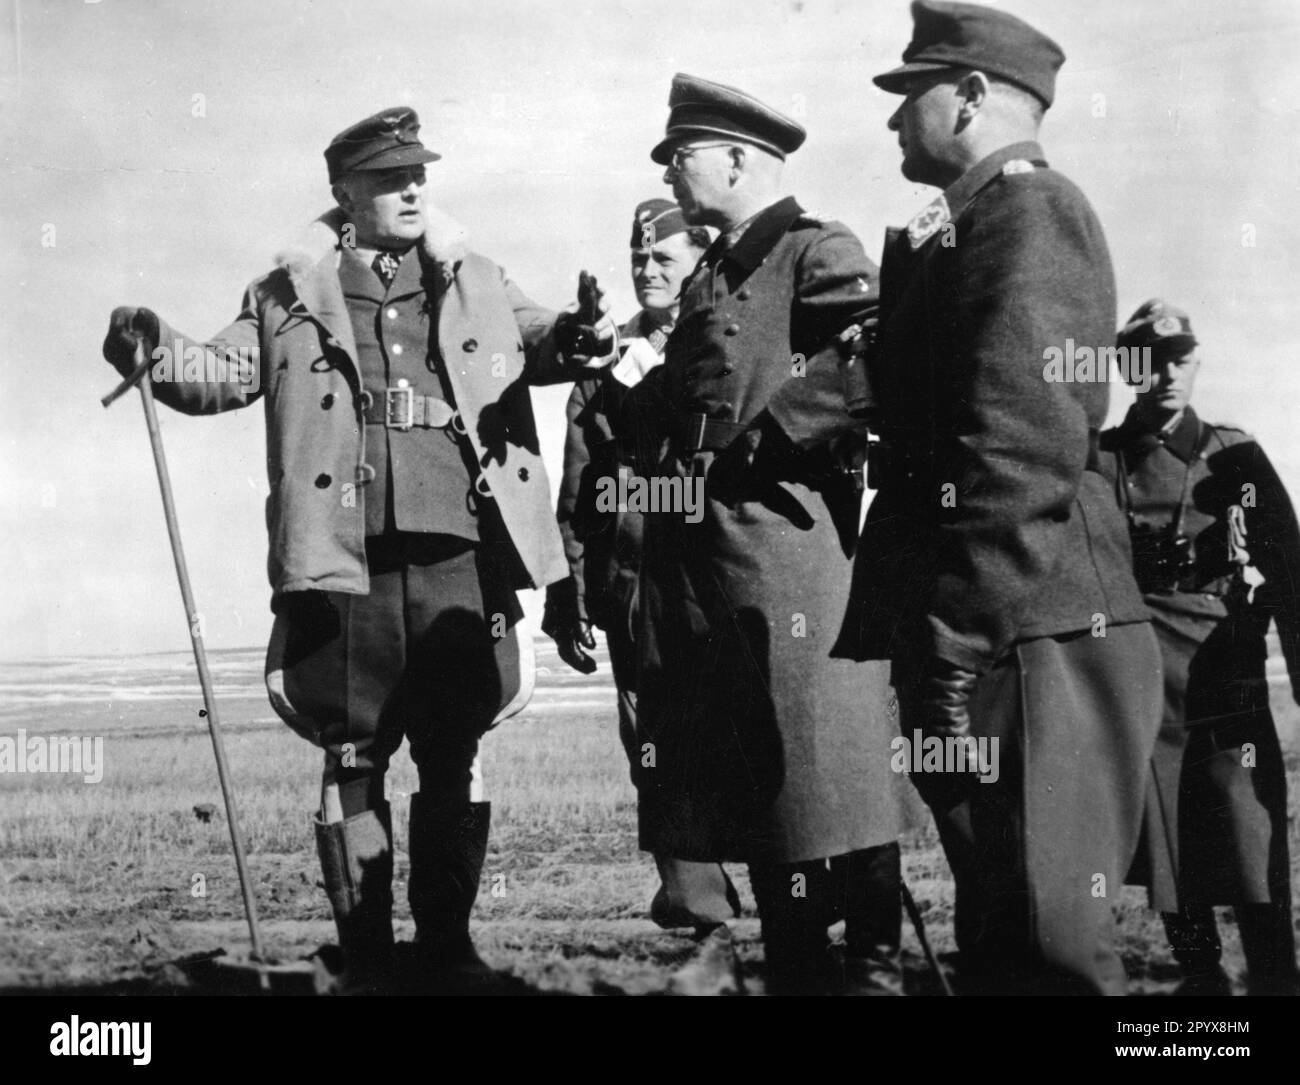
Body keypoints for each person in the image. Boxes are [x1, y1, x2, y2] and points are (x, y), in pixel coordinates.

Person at [101, 106, 617, 994]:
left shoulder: (477, 279)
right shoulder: (287, 292)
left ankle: (450, 949)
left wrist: (579, 333)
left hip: (461, 553)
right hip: (344, 566)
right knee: (352, 752)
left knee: (453, 750)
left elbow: (542, 341)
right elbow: (218, 375)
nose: (413, 187)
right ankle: (371, 955)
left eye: (420, 173)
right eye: (389, 178)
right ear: (344, 193)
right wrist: (152, 342)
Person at [835, 1, 1163, 995]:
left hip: (1027, 633)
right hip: (986, 631)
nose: (893, 121)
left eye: (910, 97)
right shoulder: (963, 228)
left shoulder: (1028, 211)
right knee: (1000, 936)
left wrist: (953, 634)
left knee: (1053, 947)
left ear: (972, 95)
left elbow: (1025, 443)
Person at [632, 73, 904, 996]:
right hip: (710, 554)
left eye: (682, 156)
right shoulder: (711, 270)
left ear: (740, 159)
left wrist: (780, 433)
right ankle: (795, 960)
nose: (671, 172)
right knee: (756, 776)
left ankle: (870, 958)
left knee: (833, 759)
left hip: (789, 546)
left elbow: (881, 350)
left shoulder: (812, 247)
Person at [542, 200, 749, 939]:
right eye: (639, 260)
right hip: (637, 586)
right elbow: (576, 486)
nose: (647, 272)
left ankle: (795, 907)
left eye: (663, 258)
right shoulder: (607, 361)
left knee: (749, 737)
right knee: (656, 746)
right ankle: (702, 916)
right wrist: (568, 592)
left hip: (732, 579)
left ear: (700, 259)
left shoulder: (732, 335)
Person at [1102, 300, 1300, 996]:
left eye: (1180, 357)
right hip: (1140, 677)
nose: (1166, 374)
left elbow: (1291, 569)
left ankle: (1276, 981)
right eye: (1150, 361)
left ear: (1195, 359)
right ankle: (1201, 982)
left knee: (1251, 838)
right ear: (1128, 368)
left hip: (1224, 671)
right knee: (1168, 845)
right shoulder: (1100, 460)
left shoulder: (1230, 453)